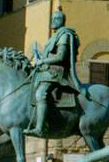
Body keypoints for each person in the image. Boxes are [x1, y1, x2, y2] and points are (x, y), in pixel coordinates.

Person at [28, 7, 81, 137]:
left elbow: (61, 56)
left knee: (41, 93)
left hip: (57, 72)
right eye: (52, 19)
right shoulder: (54, 37)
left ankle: (40, 127)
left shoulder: (64, 35)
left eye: (56, 19)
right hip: (47, 71)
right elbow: (50, 55)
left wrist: (43, 61)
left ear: (62, 21)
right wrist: (39, 55)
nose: (53, 21)